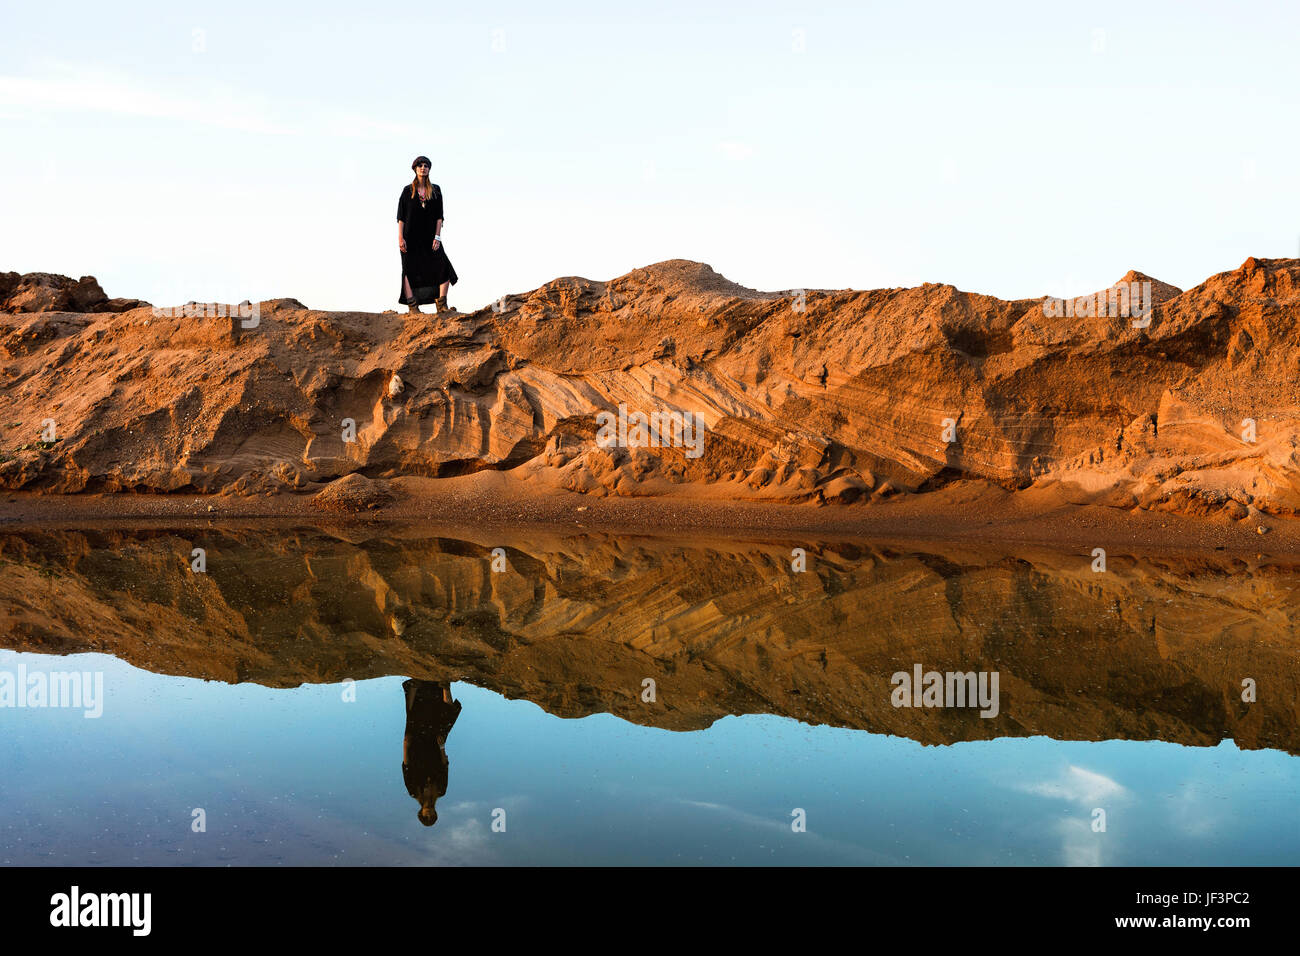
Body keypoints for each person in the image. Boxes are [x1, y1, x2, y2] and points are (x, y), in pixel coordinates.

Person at [397, 156, 459, 315]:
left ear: (429, 169)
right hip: (410, 237)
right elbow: (401, 217)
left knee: (442, 265)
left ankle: (442, 304)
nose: (423, 168)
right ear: (415, 169)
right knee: (408, 269)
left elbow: (439, 216)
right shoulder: (407, 191)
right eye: (420, 165)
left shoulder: (436, 190)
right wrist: (400, 237)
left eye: (426, 166)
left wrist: (437, 236)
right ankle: (412, 306)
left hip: (430, 237)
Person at [401, 678, 463, 827]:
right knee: (446, 720)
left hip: (417, 750)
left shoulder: (414, 791)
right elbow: (444, 766)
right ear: (435, 812)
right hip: (435, 750)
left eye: (426, 815)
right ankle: (444, 687)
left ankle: (415, 687)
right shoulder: (441, 791)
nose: (429, 813)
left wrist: (406, 743)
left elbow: (406, 765)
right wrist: (442, 747)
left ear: (421, 812)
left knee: (412, 719)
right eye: (432, 815)